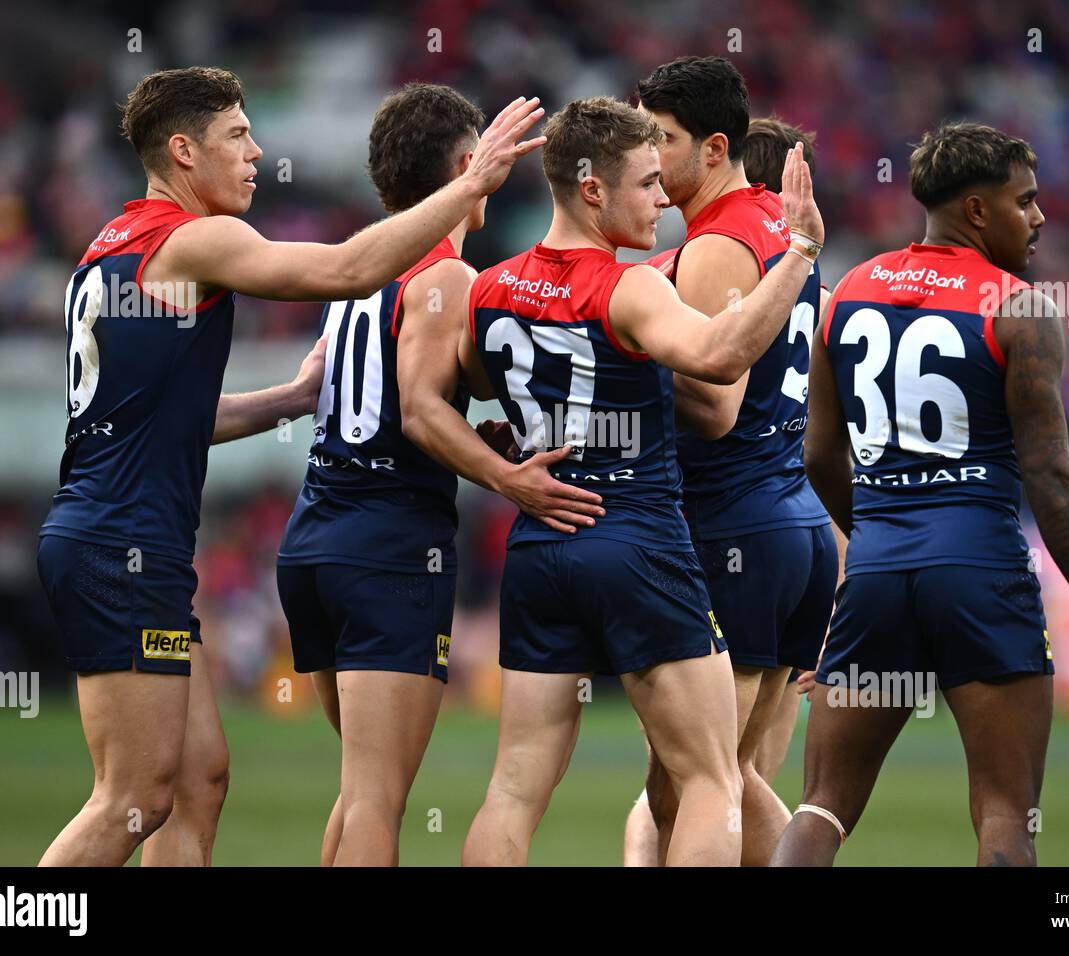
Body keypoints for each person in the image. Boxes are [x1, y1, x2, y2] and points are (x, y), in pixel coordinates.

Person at [35, 65, 545, 866]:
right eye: (237, 136)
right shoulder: (194, 238)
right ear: (183, 151)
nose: (256, 154)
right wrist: (471, 185)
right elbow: (345, 268)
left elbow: (167, 421)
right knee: (131, 798)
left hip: (119, 535)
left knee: (197, 782)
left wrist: (293, 398)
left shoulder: (111, 250)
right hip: (122, 541)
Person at [771, 122, 1069, 867]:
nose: (1039, 218)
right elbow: (1051, 475)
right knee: (1007, 815)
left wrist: (879, 530)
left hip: (877, 572)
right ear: (978, 210)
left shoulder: (847, 293)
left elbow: (817, 453)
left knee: (822, 805)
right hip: (980, 568)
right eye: (1025, 200)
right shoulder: (1021, 309)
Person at [458, 96, 823, 866]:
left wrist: (504, 462)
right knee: (712, 780)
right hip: (638, 540)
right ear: (593, 188)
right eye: (648, 183)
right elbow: (720, 361)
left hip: (539, 544)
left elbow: (454, 393)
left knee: (513, 789)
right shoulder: (632, 288)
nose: (663, 200)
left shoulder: (487, 289)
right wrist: (799, 255)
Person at [275, 82, 602, 866]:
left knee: (360, 790)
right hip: (389, 545)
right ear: (466, 167)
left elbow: (388, 402)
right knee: (378, 800)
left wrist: (471, 430)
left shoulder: (364, 260)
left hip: (316, 535)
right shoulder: (446, 275)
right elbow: (421, 415)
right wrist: (509, 478)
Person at [627, 57, 839, 866]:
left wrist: (613, 377)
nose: (646, 156)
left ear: (715, 148)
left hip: (734, 527)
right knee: (725, 777)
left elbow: (715, 405)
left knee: (699, 784)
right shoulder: (775, 226)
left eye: (661, 138)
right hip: (786, 520)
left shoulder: (718, 243)